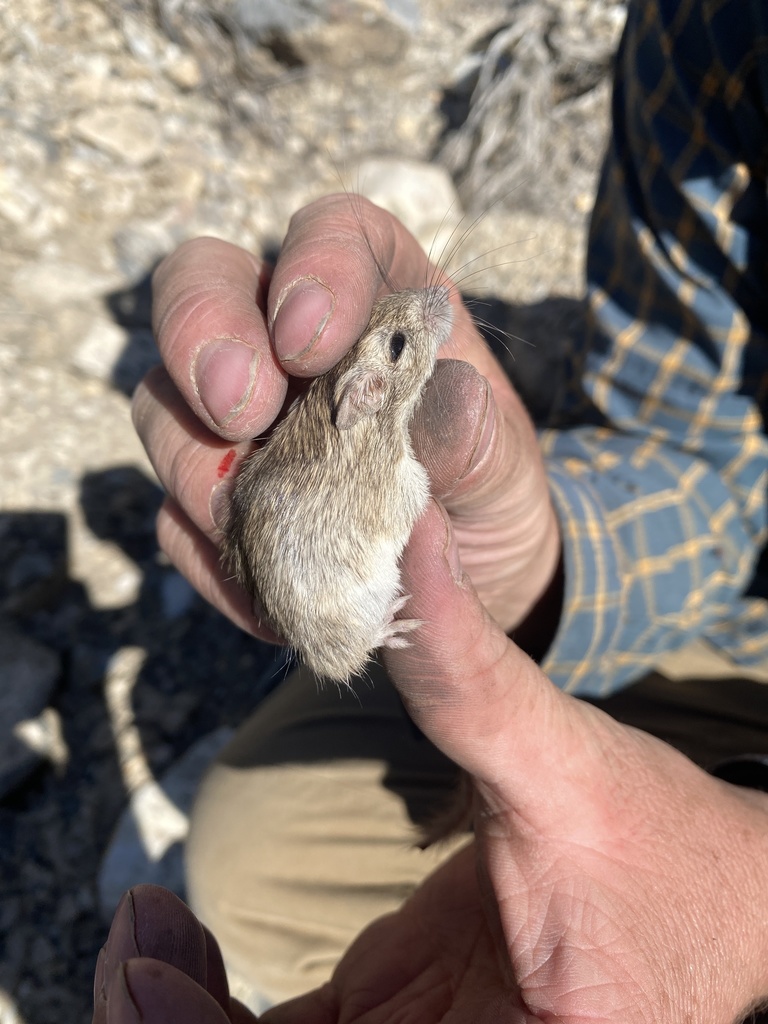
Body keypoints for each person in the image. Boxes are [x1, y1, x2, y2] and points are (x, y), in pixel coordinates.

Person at [94, 0, 768, 1020]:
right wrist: (538, 566)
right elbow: (702, 450)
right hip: (732, 636)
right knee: (255, 861)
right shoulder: (716, 28)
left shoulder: (376, 417)